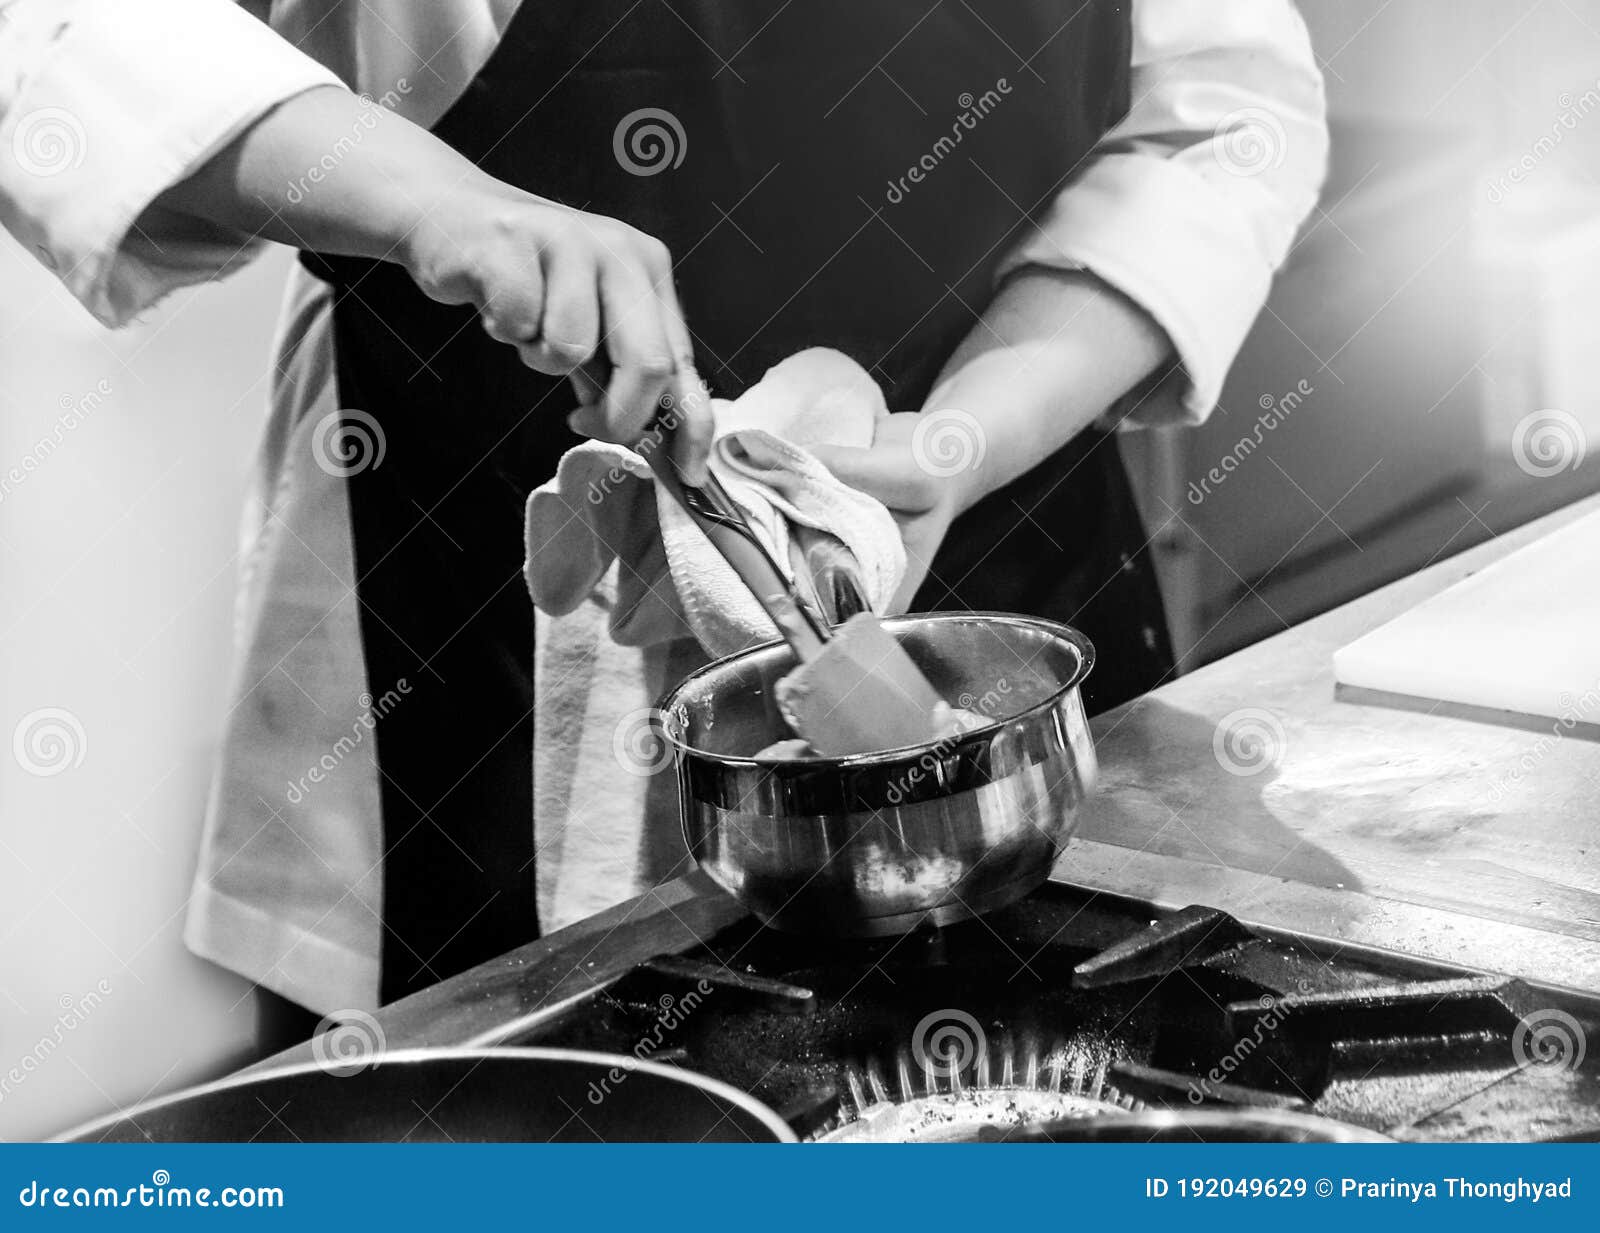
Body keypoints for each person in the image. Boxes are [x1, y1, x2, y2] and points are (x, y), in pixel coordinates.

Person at [0, 0, 1327, 1029]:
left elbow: (1219, 107)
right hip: (465, 616)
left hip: (1001, 546)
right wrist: (442, 201)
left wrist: (961, 441)